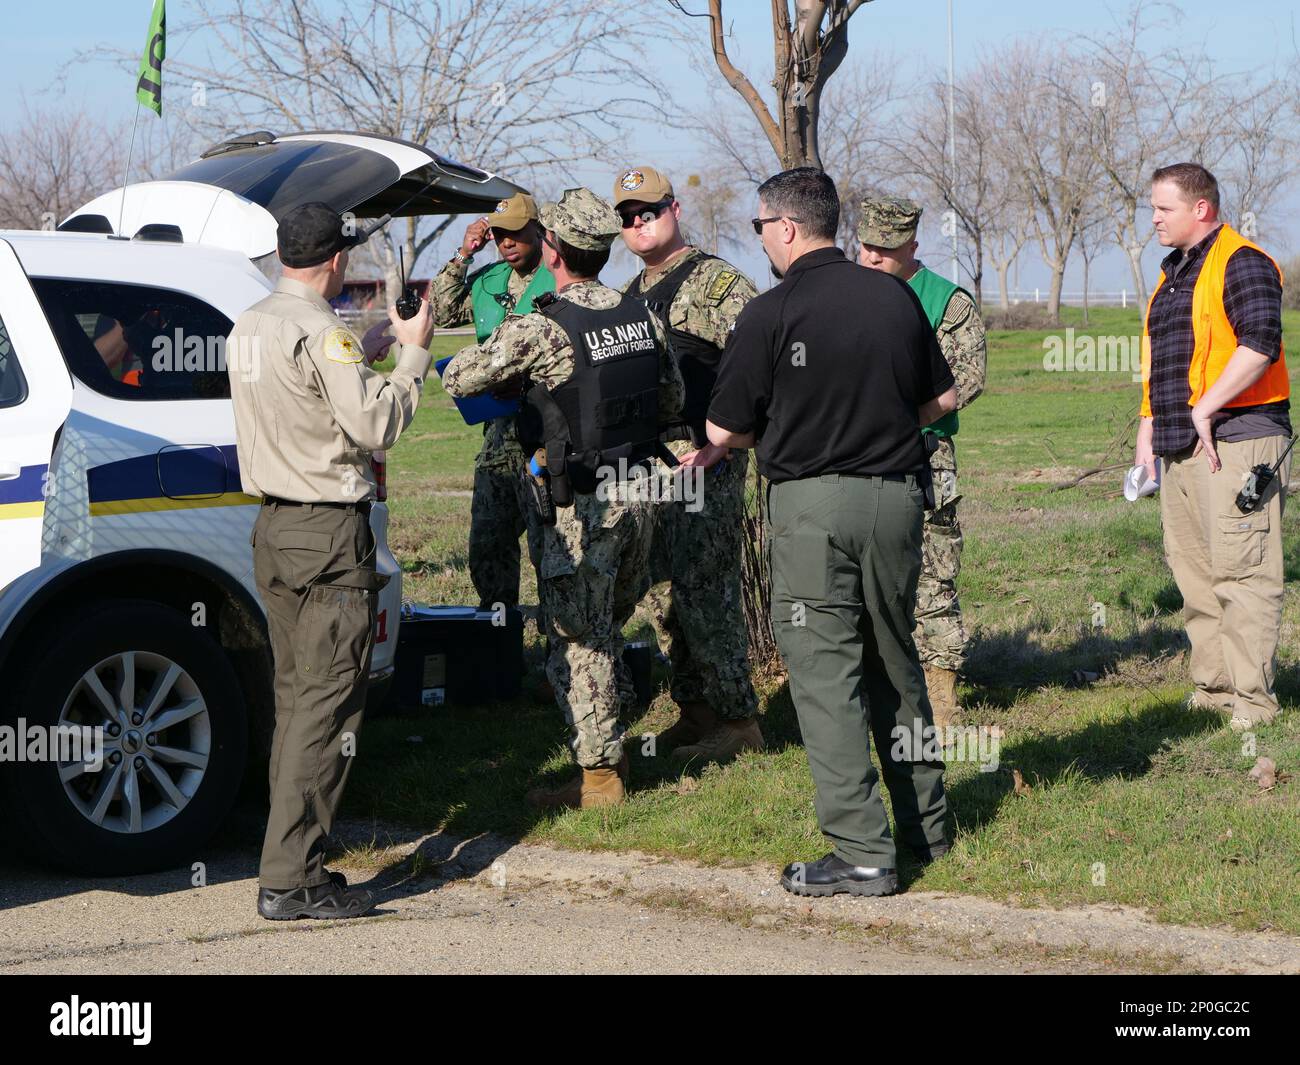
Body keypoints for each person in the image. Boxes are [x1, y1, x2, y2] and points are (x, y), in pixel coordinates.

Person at [706, 168, 956, 897]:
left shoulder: (769, 312)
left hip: (812, 509)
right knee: (894, 662)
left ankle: (863, 852)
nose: (758, 240)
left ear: (785, 228)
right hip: (896, 501)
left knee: (824, 679)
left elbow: (724, 427)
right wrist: (879, 424)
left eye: (758, 227)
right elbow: (939, 395)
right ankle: (928, 829)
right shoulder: (895, 297)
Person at [443, 188, 684, 809]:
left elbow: (460, 377)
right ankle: (617, 729)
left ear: (553, 247)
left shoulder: (544, 324)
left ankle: (600, 780)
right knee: (607, 619)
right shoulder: (641, 315)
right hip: (641, 491)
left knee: (580, 637)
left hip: (581, 503)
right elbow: (671, 400)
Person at [227, 201, 435, 919]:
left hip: (275, 528)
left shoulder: (251, 322)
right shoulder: (321, 329)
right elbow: (377, 422)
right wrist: (413, 351)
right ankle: (292, 878)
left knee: (295, 699)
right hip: (326, 533)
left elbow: (308, 401)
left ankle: (289, 857)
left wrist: (365, 351)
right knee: (330, 704)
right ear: (337, 260)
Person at [614, 164, 763, 764]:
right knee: (665, 601)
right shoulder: (630, 293)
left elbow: (759, 363)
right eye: (626, 217)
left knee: (707, 593)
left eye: (648, 210)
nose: (638, 223)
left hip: (705, 464)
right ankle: (696, 713)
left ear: (675, 210)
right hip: (652, 468)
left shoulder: (715, 284)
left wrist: (724, 445)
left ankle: (740, 722)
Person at [1136, 162, 1290, 731]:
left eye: (1163, 208)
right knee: (1195, 574)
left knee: (1243, 573)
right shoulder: (1173, 272)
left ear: (1201, 208)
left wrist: (1206, 406)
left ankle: (1254, 702)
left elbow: (1260, 345)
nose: (1153, 218)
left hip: (1240, 441)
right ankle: (1215, 689)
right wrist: (1147, 429)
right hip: (1180, 446)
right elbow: (1163, 358)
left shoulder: (1243, 262)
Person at [858, 196, 987, 726]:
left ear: (912, 247)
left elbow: (966, 381)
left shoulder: (945, 302)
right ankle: (874, 686)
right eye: (864, 247)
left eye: (884, 252)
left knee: (932, 573)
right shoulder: (848, 293)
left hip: (924, 453)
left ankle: (941, 690)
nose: (871, 259)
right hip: (858, 457)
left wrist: (894, 420)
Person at [429, 192, 556, 612]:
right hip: (498, 438)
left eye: (516, 233)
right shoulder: (489, 281)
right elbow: (443, 311)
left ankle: (560, 640)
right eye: (500, 235)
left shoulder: (561, 280)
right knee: (488, 541)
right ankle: (499, 637)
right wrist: (464, 254)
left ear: (538, 231)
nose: (507, 243)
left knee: (549, 544)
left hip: (547, 433)